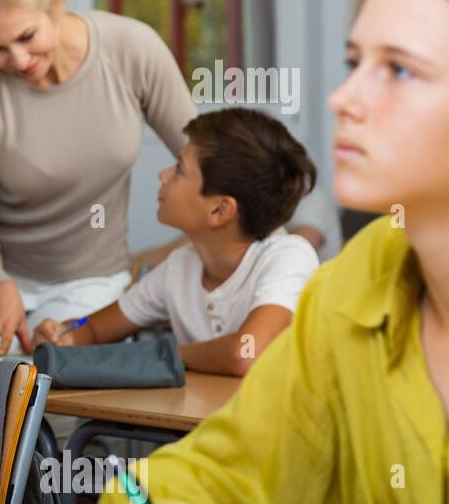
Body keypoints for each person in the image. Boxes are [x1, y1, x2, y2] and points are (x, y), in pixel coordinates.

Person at [88, 0, 449, 504]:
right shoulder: (350, 288)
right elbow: (224, 470)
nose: (342, 98)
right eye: (354, 61)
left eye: (399, 69)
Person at [0, 0, 197, 359]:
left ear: (56, 2)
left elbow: (204, 156)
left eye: (27, 37)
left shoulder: (130, 48)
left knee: (57, 408)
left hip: (89, 282)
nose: (18, 60)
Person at [33, 107, 319, 377]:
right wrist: (65, 333)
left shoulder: (288, 257)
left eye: (179, 170)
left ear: (220, 210)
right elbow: (93, 327)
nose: (163, 175)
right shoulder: (180, 268)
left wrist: (169, 355)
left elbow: (246, 351)